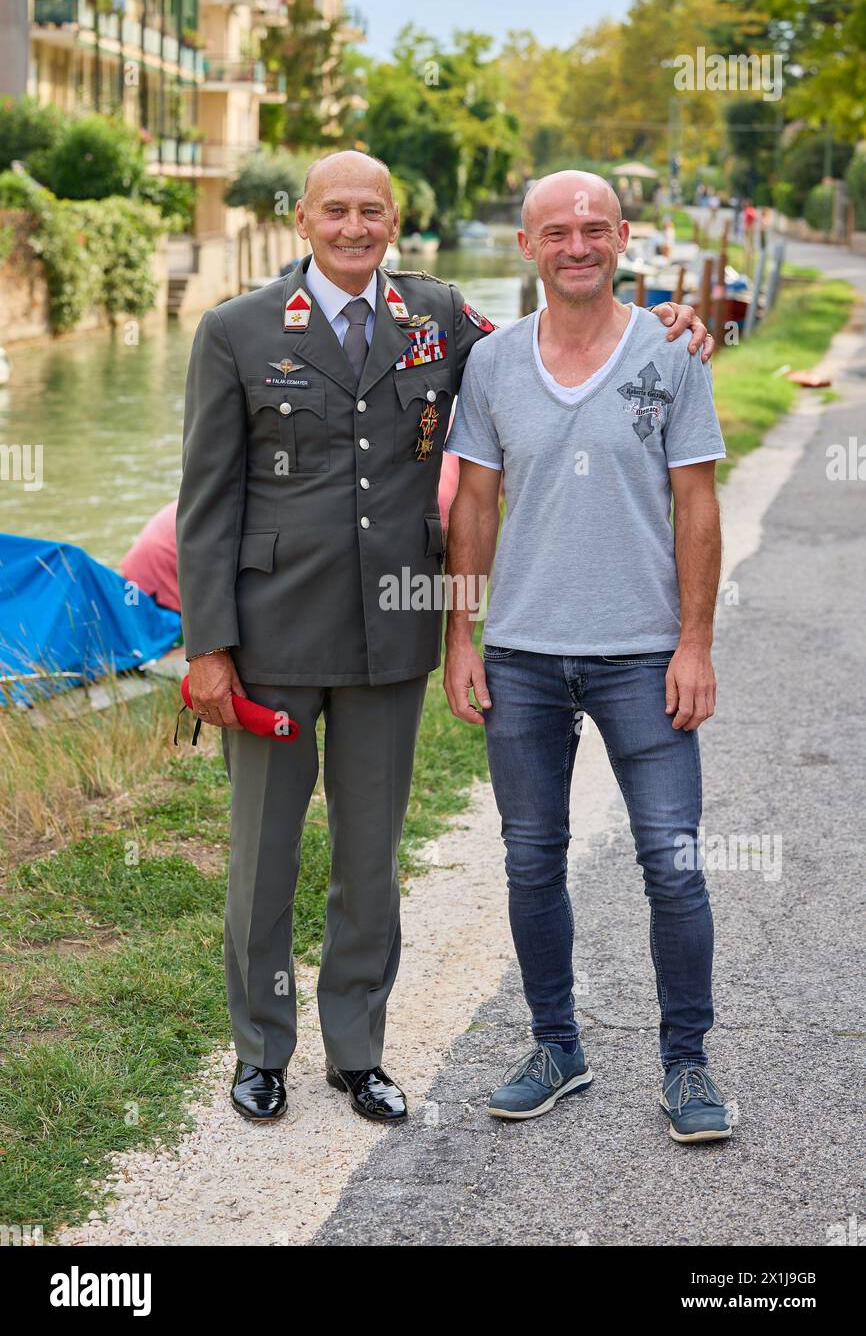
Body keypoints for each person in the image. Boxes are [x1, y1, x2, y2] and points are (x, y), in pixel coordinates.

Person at [177, 151, 714, 1127]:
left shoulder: (436, 320)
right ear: (301, 219)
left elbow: (556, 332)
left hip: (392, 629)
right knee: (264, 854)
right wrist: (207, 644)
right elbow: (205, 500)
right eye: (334, 211)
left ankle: (356, 1051)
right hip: (269, 637)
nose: (353, 227)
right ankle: (261, 1047)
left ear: (394, 220)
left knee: (370, 857)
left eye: (370, 211)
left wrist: (670, 320)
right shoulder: (236, 331)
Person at [444, 170, 732, 1144]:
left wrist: (693, 641)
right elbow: (471, 506)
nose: (575, 245)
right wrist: (459, 634)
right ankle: (555, 1044)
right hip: (521, 652)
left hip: (641, 651)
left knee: (674, 862)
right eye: (554, 231)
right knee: (530, 860)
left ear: (622, 238)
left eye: (593, 229)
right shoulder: (489, 366)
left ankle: (685, 1064)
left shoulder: (669, 351)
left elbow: (695, 502)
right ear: (525, 247)